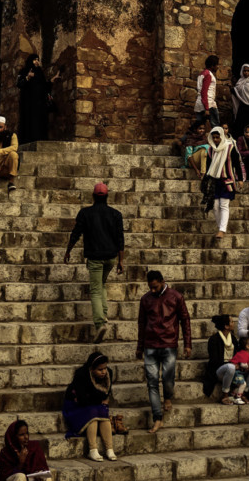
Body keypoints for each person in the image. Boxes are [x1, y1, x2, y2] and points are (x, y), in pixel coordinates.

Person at [64, 182, 125, 342]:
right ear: (107, 196)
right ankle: (103, 316)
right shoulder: (116, 214)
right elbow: (120, 239)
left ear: (93, 196)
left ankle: (100, 323)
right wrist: (121, 261)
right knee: (102, 285)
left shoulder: (85, 213)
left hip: (95, 258)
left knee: (96, 290)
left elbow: (75, 233)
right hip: (111, 258)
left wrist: (68, 251)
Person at [136, 271, 191, 434]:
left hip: (169, 344)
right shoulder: (145, 299)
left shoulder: (176, 296)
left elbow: (185, 320)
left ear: (162, 281)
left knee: (168, 378)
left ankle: (167, 397)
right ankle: (157, 417)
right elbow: (141, 323)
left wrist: (187, 343)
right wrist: (139, 347)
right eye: (150, 287)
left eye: (155, 287)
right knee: (152, 382)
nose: (153, 290)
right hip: (150, 346)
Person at [62, 351, 118, 461]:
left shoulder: (108, 374)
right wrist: (98, 399)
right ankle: (93, 450)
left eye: (105, 368)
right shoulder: (82, 375)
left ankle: (109, 449)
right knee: (93, 414)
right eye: (100, 369)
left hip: (93, 404)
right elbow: (82, 399)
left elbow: (106, 395)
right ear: (92, 369)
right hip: (76, 406)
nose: (103, 372)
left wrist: (95, 398)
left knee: (102, 412)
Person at [203, 314, 249, 402]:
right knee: (230, 367)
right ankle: (225, 395)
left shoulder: (232, 338)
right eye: (232, 322)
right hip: (220, 370)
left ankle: (242, 393)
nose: (234, 323)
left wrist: (245, 362)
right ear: (226, 326)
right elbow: (214, 360)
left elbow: (240, 353)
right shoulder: (214, 339)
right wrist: (232, 364)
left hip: (235, 368)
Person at [201, 126, 245, 237]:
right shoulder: (211, 150)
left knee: (224, 205)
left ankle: (222, 230)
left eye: (217, 137)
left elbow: (236, 164)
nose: (216, 140)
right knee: (215, 206)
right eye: (214, 137)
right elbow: (208, 166)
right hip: (214, 182)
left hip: (227, 180)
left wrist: (240, 179)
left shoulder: (230, 148)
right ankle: (220, 226)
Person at [17, 53, 60, 142]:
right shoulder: (24, 71)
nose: (36, 62)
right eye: (34, 60)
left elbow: (44, 86)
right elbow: (19, 84)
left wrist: (52, 80)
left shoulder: (39, 72)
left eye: (37, 59)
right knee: (29, 121)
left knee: (40, 121)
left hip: (40, 103)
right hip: (28, 103)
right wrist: (28, 77)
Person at [187, 54, 220, 137]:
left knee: (197, 125)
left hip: (200, 103)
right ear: (212, 66)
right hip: (208, 103)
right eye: (217, 65)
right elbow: (204, 91)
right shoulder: (208, 75)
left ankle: (183, 139)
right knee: (216, 126)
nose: (217, 67)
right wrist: (207, 108)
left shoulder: (202, 74)